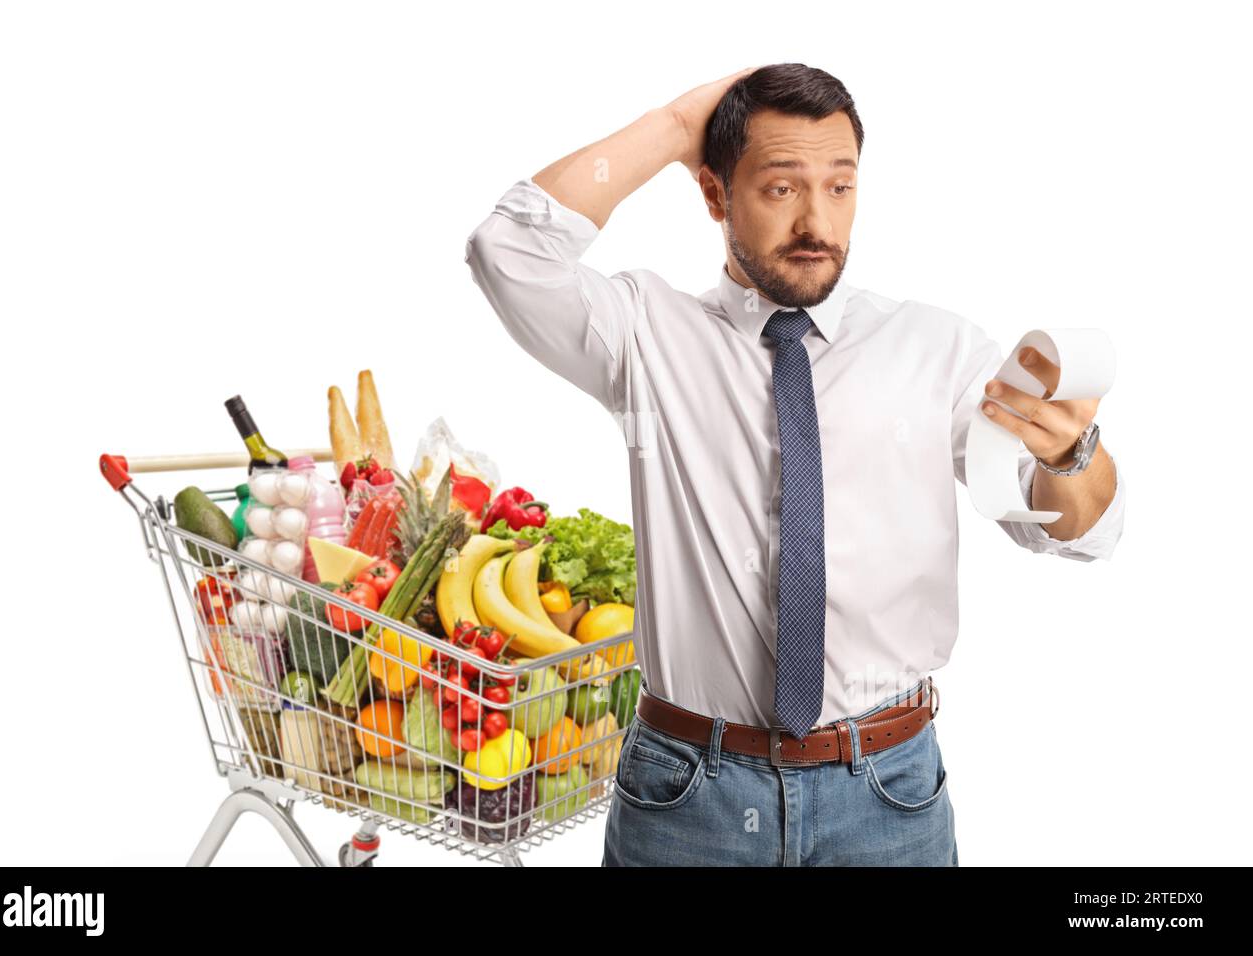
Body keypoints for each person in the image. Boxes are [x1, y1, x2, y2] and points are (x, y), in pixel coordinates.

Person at [464, 63, 1125, 866]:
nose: (818, 220)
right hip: (686, 795)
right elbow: (507, 251)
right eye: (782, 189)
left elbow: (1075, 531)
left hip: (889, 792)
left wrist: (1072, 453)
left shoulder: (937, 349)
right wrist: (676, 126)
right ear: (714, 196)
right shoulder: (643, 333)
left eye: (840, 187)